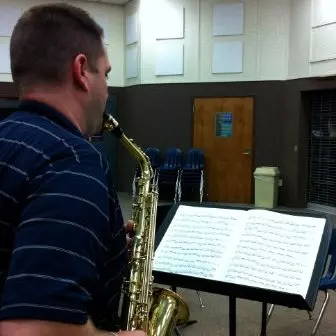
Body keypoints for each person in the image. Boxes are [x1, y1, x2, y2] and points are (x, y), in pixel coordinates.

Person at [0, 3, 145, 336]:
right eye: (105, 74)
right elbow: (30, 331)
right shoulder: (73, 161)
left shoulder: (10, 138)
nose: (107, 90)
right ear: (81, 70)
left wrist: (99, 241)